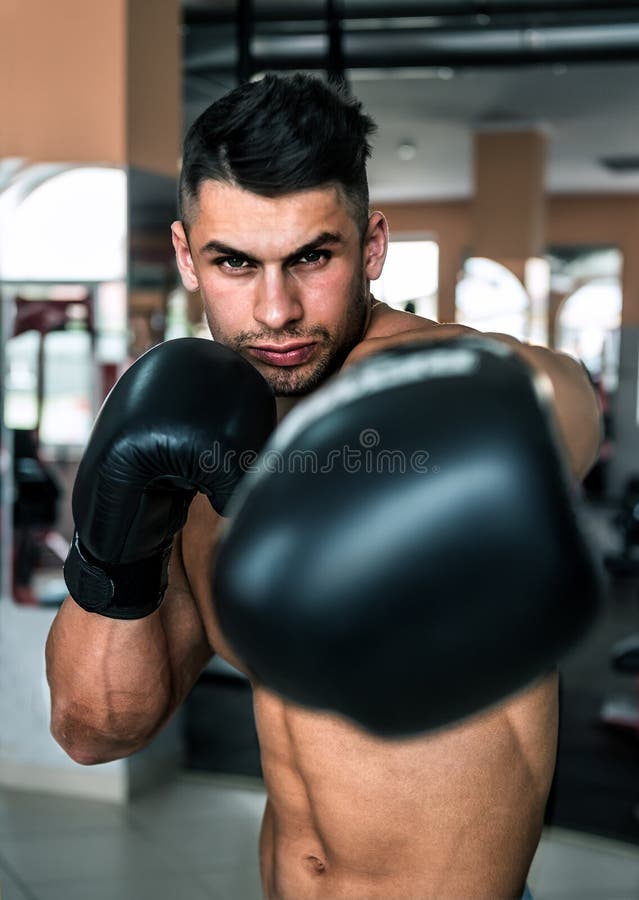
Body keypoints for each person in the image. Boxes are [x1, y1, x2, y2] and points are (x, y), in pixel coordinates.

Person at [46, 73, 601, 899]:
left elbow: (560, 402)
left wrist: (391, 458)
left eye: (310, 257)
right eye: (233, 262)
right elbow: (95, 731)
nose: (274, 310)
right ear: (184, 255)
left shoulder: (429, 384)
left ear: (370, 246)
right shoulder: (198, 446)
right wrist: (115, 541)